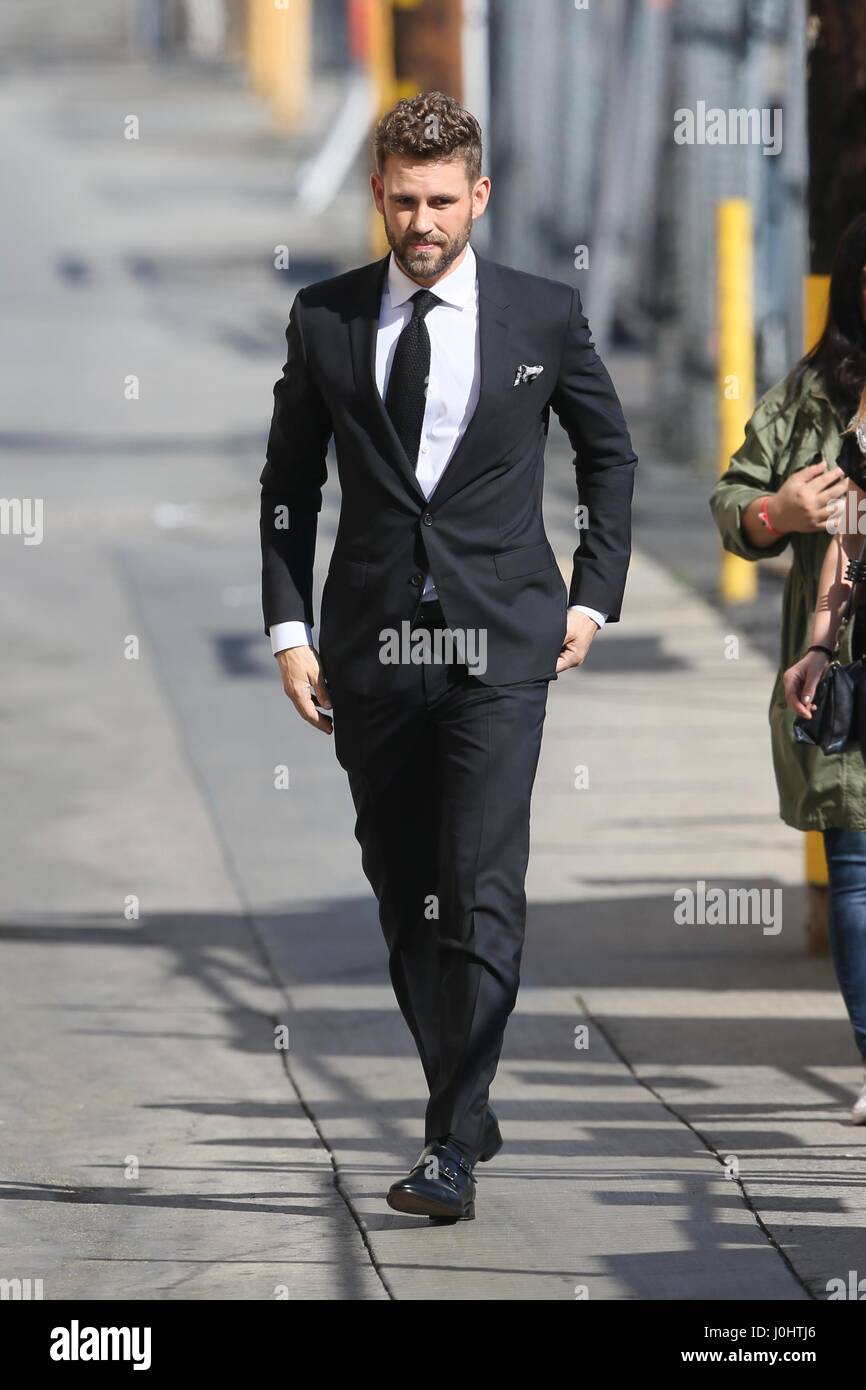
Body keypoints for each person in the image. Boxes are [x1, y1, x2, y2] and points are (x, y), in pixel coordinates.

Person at [259, 91, 637, 1221]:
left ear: (477, 196)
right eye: (403, 200)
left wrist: (592, 598)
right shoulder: (323, 319)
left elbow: (606, 458)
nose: (421, 222)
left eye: (442, 201)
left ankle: (446, 1147)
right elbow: (288, 488)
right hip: (373, 646)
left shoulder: (539, 315)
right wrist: (288, 628)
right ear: (377, 192)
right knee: (406, 891)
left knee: (478, 885)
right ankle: (464, 1098)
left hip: (500, 643)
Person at [711, 211, 866, 1124]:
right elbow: (735, 501)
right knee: (854, 867)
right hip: (843, 669)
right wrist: (778, 513)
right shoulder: (813, 394)